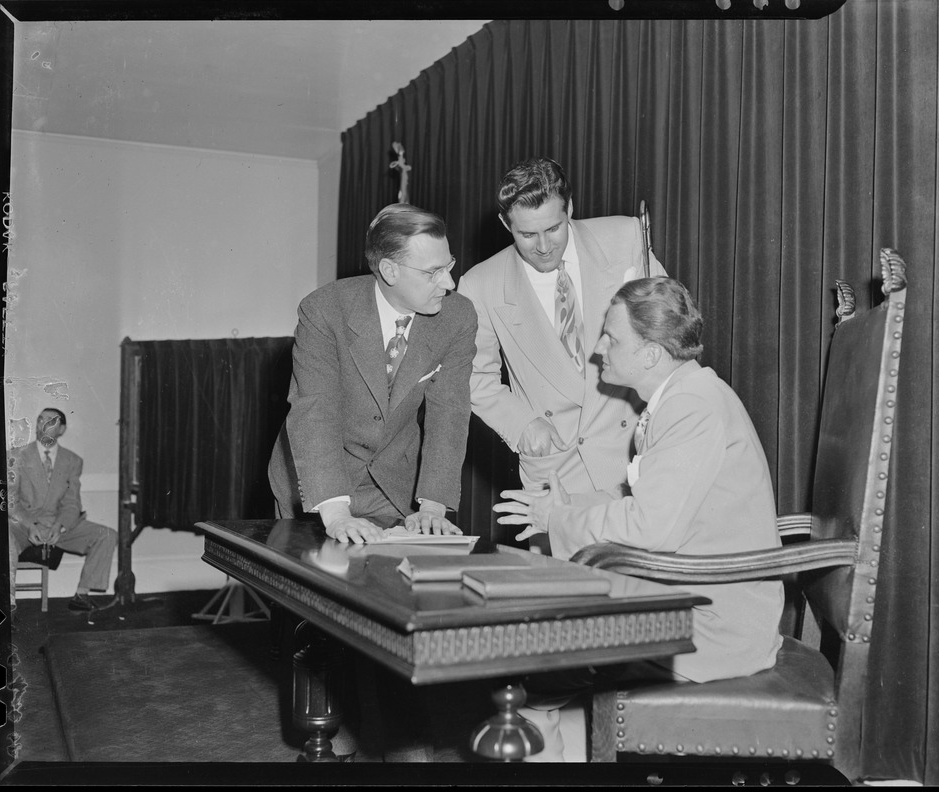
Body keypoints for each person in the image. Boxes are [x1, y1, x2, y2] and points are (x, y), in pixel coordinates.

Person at [494, 277, 785, 761]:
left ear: (650, 354)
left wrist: (558, 521)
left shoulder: (692, 406)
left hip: (714, 623)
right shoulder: (683, 397)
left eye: (612, 337)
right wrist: (568, 506)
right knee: (543, 648)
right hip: (700, 598)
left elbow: (653, 526)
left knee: (537, 647)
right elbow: (641, 499)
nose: (599, 348)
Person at [457, 157, 666, 550]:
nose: (543, 246)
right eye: (527, 235)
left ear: (570, 209)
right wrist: (521, 424)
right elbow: (473, 377)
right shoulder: (479, 284)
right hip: (557, 470)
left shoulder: (625, 237)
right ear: (507, 226)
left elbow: (667, 333)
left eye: (554, 228)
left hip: (637, 453)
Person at [268, 203, 477, 544]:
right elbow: (315, 412)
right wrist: (336, 516)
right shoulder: (324, 310)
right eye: (433, 272)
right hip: (320, 479)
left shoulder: (458, 317)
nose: (449, 283)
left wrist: (433, 507)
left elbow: (450, 414)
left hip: (396, 483)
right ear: (390, 270)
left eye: (449, 265)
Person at [7, 408, 117, 612]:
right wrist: (30, 525)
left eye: (50, 421)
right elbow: (11, 501)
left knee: (107, 535)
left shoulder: (72, 461)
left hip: (57, 523)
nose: (43, 425)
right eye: (40, 420)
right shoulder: (16, 456)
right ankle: (9, 603)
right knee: (3, 538)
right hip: (24, 525)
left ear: (62, 429)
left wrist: (60, 526)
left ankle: (81, 595)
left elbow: (72, 503)